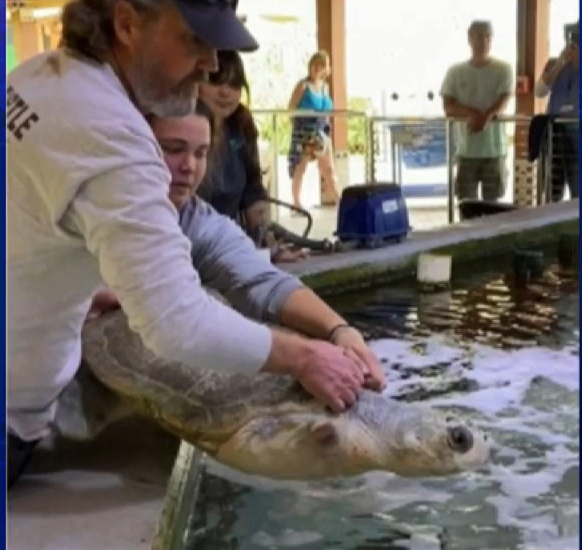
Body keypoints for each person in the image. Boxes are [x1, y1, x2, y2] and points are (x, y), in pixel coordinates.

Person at [6, 0, 369, 488]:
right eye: (195, 38)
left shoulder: (39, 79)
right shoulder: (113, 138)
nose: (211, 63)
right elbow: (176, 323)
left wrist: (72, 286)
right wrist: (303, 358)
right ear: (126, 22)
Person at [86, 100, 386, 396]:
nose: (189, 166)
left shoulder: (196, 220)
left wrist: (340, 331)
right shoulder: (88, 202)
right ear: (135, 146)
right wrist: (302, 358)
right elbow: (178, 321)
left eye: (200, 153)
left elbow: (261, 282)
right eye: (173, 149)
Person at [198, 51, 305, 263]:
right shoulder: (177, 124)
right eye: (217, 82)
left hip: (228, 247)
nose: (225, 93)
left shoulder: (241, 124)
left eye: (234, 85)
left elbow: (253, 189)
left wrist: (269, 245)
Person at [440, 21, 515, 204]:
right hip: (466, 151)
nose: (484, 41)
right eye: (479, 36)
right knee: (467, 206)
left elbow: (503, 101)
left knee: (493, 208)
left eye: (488, 36)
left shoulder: (504, 69)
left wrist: (485, 118)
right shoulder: (455, 71)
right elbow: (448, 106)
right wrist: (472, 113)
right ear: (469, 39)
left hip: (494, 150)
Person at [286, 51, 339, 209]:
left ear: (326, 69)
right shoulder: (303, 86)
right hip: (306, 131)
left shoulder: (325, 87)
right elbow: (290, 109)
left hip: (323, 131)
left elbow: (328, 112)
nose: (317, 68)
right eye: (315, 64)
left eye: (321, 65)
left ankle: (340, 199)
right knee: (300, 168)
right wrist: (299, 127)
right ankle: (296, 202)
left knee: (328, 168)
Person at [537, 20, 579, 200]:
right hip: (555, 135)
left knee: (579, 191)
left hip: (580, 136)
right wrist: (561, 62)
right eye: (573, 40)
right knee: (552, 192)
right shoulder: (555, 63)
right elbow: (539, 91)